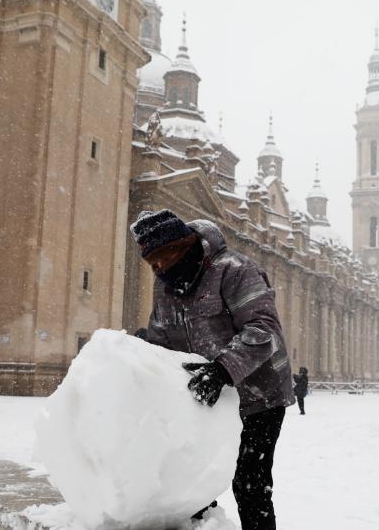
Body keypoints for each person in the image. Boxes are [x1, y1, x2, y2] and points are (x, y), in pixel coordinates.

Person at [130, 210, 294, 530]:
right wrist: (140, 351)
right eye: (152, 263)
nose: (159, 268)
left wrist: (223, 370)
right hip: (207, 397)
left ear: (184, 246)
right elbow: (162, 338)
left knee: (250, 484)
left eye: (164, 257)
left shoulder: (235, 270)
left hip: (259, 396)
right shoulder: (166, 288)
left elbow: (264, 330)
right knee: (194, 483)